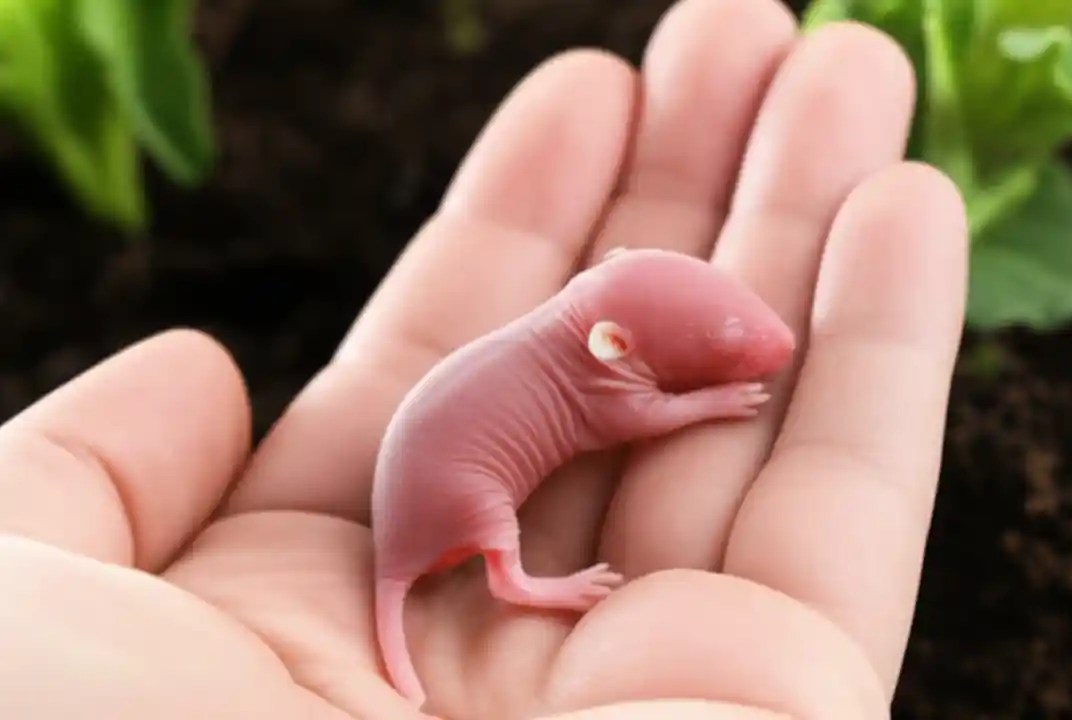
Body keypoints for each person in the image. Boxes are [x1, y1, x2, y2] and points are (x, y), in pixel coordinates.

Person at [0, 0, 968, 716]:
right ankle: (517, 579)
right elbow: (625, 418)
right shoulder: (596, 378)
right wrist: (704, 406)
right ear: (614, 343)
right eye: (725, 335)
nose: (763, 340)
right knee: (483, 504)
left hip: (416, 499)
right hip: (438, 514)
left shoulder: (590, 336)